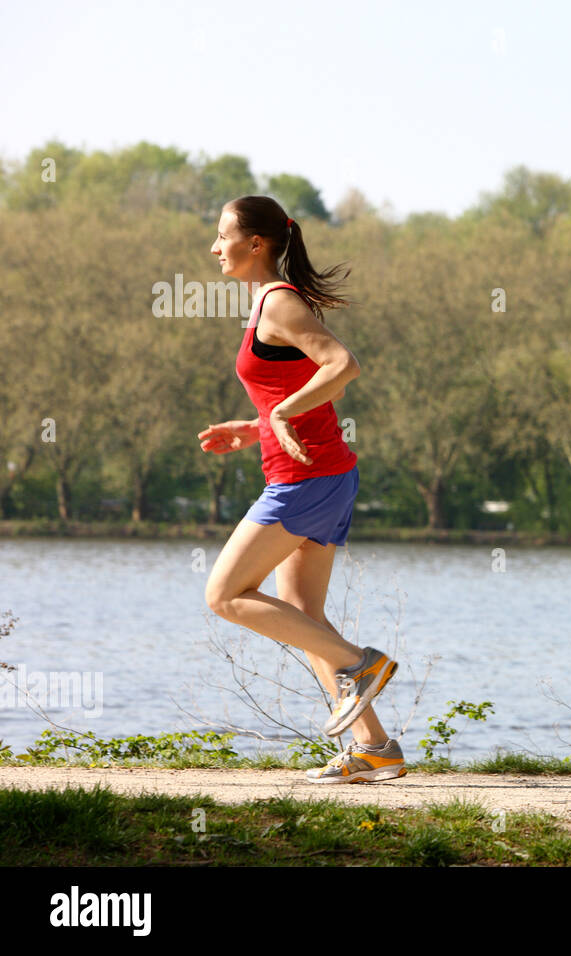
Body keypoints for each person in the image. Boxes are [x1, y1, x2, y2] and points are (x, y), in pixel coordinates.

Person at [199, 195, 402, 783]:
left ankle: (360, 665)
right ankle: (375, 749)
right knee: (302, 614)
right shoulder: (269, 303)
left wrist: (282, 414)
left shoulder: (280, 303)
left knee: (225, 594)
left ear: (256, 243)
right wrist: (257, 425)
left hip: (305, 479)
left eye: (222, 235)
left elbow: (343, 364)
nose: (215, 247)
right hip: (322, 472)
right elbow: (302, 383)